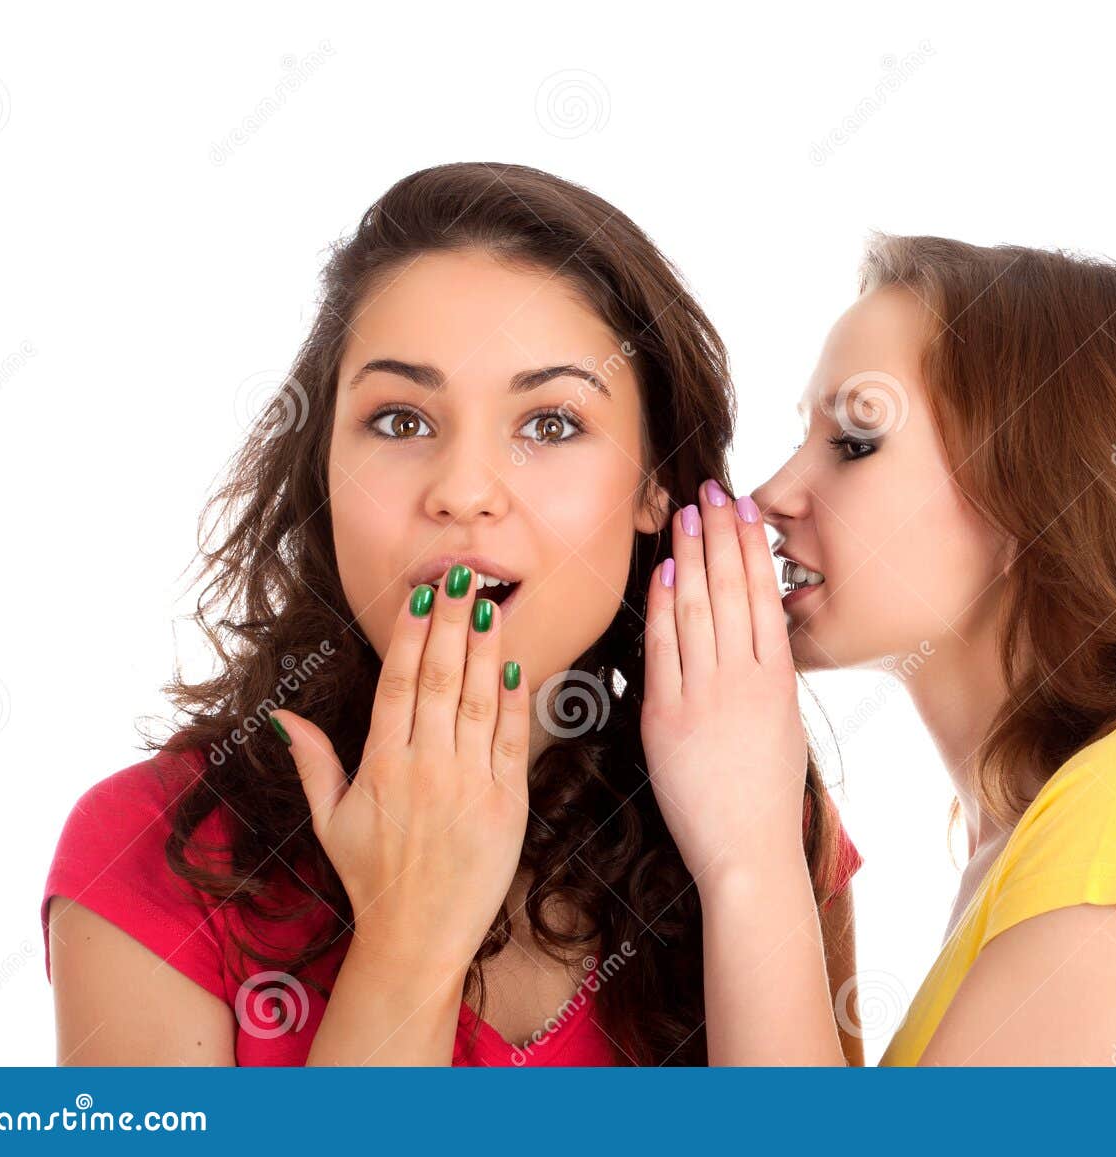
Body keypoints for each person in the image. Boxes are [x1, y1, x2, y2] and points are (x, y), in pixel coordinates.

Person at [43, 163, 863, 1067]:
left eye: (550, 423)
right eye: (399, 421)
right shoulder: (151, 849)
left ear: (652, 482)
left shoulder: (767, 809)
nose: (464, 492)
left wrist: (750, 865)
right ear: (324, 467)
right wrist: (407, 946)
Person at [640, 235, 1116, 1065]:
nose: (769, 496)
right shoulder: (1035, 840)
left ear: (1035, 497)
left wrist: (749, 855)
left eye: (855, 442)